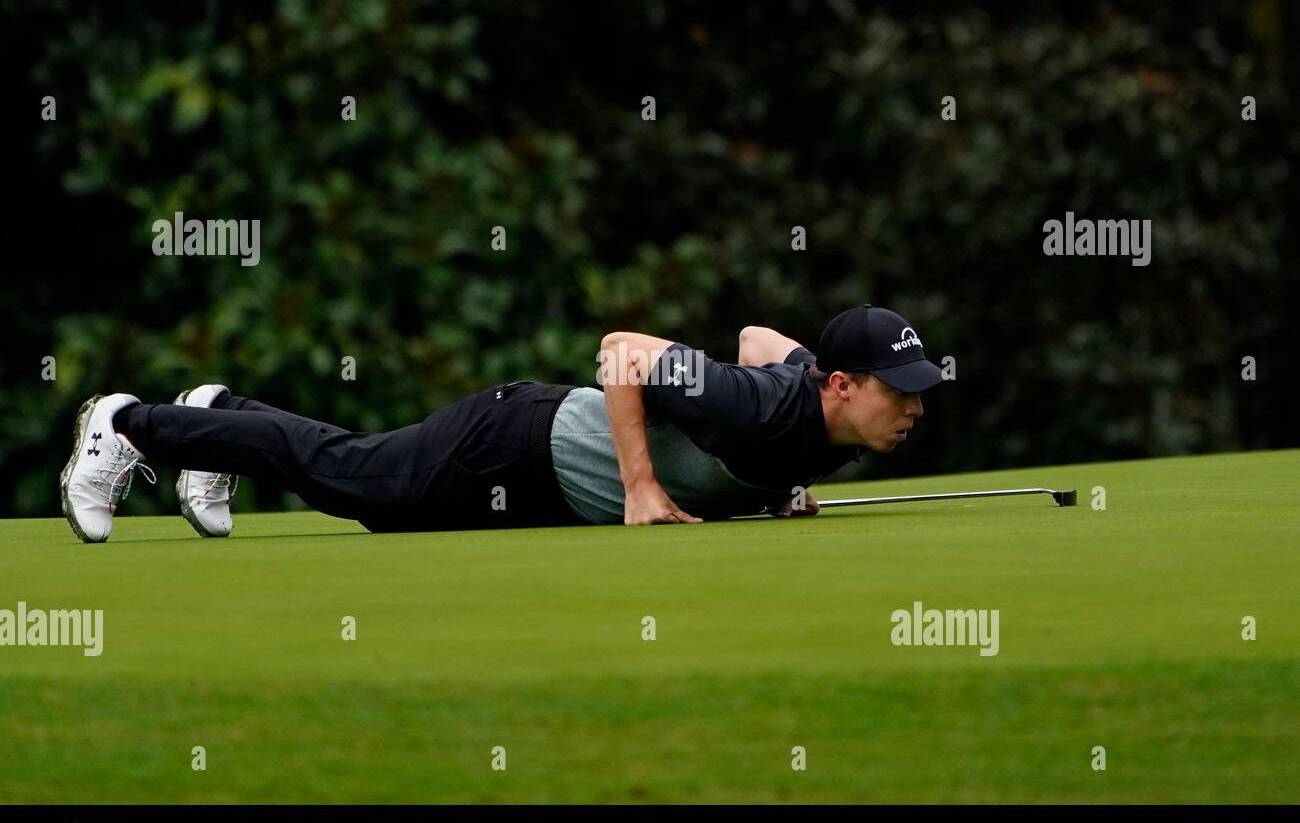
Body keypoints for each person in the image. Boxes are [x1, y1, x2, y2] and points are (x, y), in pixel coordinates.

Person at [59, 304, 943, 542]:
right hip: (516, 442)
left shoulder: (819, 415)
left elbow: (762, 338)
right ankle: (130, 422)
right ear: (841, 384)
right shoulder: (760, 403)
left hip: (536, 481)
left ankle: (214, 417)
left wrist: (782, 483)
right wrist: (640, 487)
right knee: (358, 481)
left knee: (356, 472)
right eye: (896, 391)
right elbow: (623, 353)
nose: (912, 408)